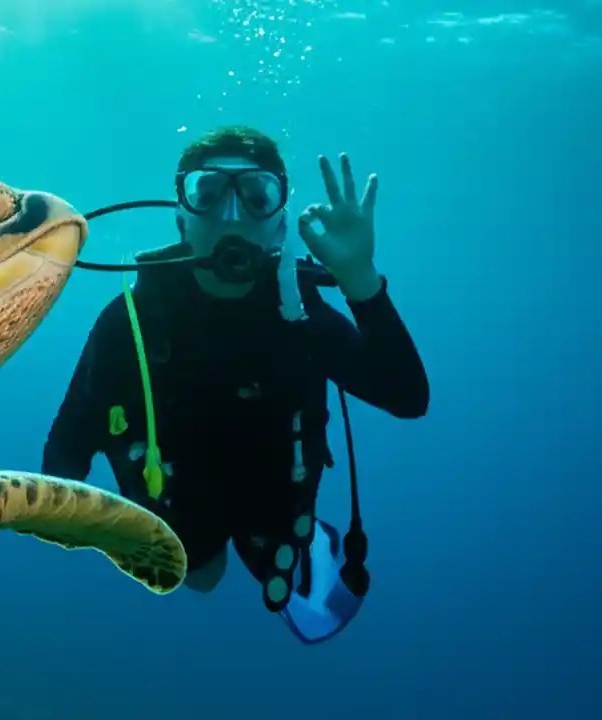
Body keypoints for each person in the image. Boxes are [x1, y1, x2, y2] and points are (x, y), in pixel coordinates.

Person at [41, 125, 429, 642]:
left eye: (256, 195)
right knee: (198, 574)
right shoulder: (130, 322)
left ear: (279, 224)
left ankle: (292, 553)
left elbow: (407, 396)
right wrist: (108, 531)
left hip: (274, 510)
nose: (232, 215)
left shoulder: (299, 313)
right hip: (178, 514)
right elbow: (62, 458)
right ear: (183, 218)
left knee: (276, 574)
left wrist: (360, 277)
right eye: (208, 193)